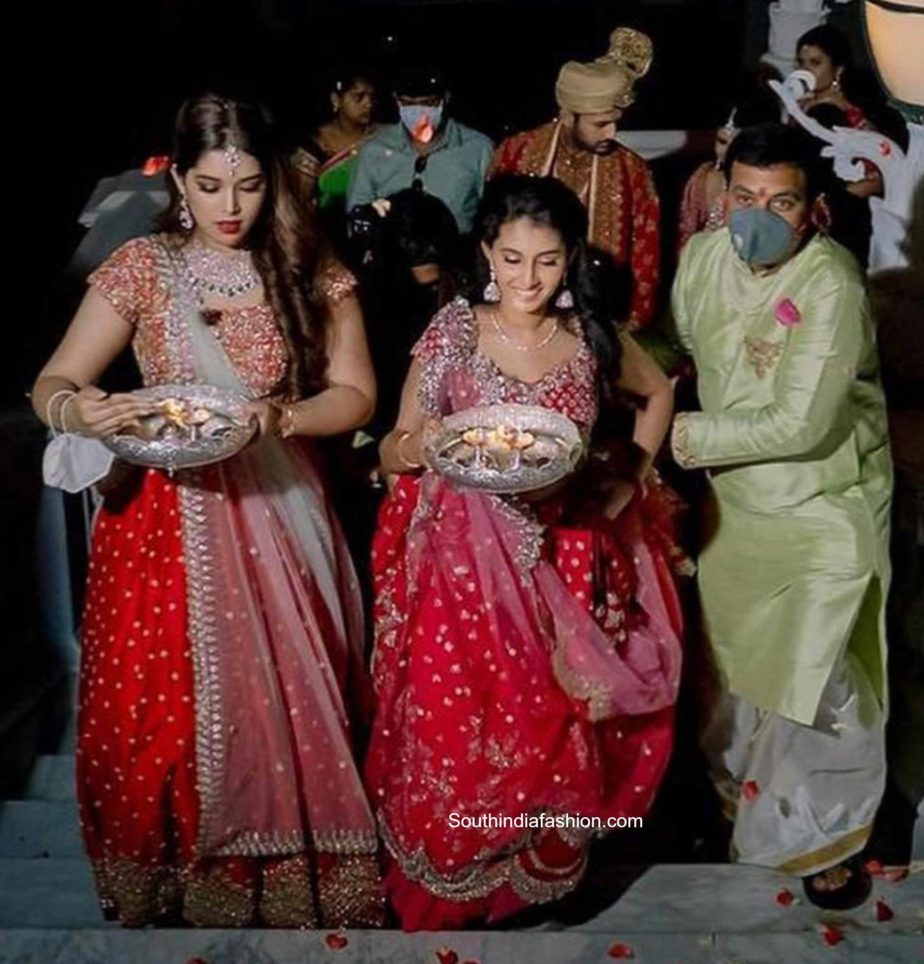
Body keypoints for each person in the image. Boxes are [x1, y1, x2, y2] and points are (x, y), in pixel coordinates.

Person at [31, 93, 384, 928]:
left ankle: (286, 875)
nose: (231, 208)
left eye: (250, 186)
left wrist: (282, 417)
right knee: (162, 704)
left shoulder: (309, 266)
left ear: (275, 185)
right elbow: (51, 383)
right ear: (178, 180)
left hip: (279, 506)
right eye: (211, 186)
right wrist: (86, 412)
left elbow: (359, 395)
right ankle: (179, 875)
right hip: (162, 519)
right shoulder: (143, 267)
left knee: (289, 698)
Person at [365, 174, 684, 930]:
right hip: (457, 567)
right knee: (462, 723)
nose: (527, 280)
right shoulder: (454, 330)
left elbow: (659, 392)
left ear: (569, 257)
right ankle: (456, 881)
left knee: (545, 720)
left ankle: (529, 878)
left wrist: (629, 480)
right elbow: (393, 445)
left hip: (560, 562)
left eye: (545, 261)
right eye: (510, 260)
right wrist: (428, 445)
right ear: (486, 254)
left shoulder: (587, 337)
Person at [670, 122, 891, 910]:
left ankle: (818, 832)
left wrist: (682, 434)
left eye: (781, 202)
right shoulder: (701, 257)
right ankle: (746, 809)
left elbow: (800, 424)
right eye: (745, 197)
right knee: (733, 675)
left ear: (812, 211)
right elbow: (684, 350)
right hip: (734, 506)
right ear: (724, 195)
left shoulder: (831, 284)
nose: (758, 216)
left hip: (822, 503)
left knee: (813, 676)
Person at [493, 28, 660, 329]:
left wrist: (625, 331)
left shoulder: (632, 170)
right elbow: (491, 237)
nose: (611, 134)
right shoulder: (516, 154)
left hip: (600, 320)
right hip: (523, 312)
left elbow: (645, 263)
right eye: (600, 124)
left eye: (615, 123)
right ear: (569, 116)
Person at [346, 65, 493, 234]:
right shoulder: (375, 149)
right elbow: (356, 216)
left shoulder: (477, 149)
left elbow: (491, 221)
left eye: (428, 103)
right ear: (397, 101)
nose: (418, 112)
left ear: (445, 99)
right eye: (408, 104)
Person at [677, 89, 780, 251]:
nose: (728, 152)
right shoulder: (703, 178)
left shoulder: (779, 184)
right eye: (722, 142)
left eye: (738, 144)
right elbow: (686, 238)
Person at [795, 23, 882, 199]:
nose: (805, 71)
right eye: (800, 63)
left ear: (838, 69)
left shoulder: (831, 112)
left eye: (815, 62)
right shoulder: (803, 105)